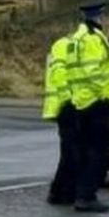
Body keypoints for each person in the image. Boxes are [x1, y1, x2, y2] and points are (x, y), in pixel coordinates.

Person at [67, 3, 109, 213]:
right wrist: (103, 95)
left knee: (83, 151)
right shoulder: (91, 40)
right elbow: (93, 72)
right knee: (95, 152)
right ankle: (87, 195)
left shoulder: (78, 38)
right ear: (97, 17)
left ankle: (83, 193)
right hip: (94, 103)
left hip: (80, 102)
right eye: (102, 16)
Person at [43, 34, 79, 205]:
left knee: (68, 153)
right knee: (71, 153)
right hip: (68, 106)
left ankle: (59, 192)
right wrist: (69, 99)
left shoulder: (64, 46)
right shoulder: (67, 47)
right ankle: (61, 193)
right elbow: (59, 76)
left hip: (66, 106)